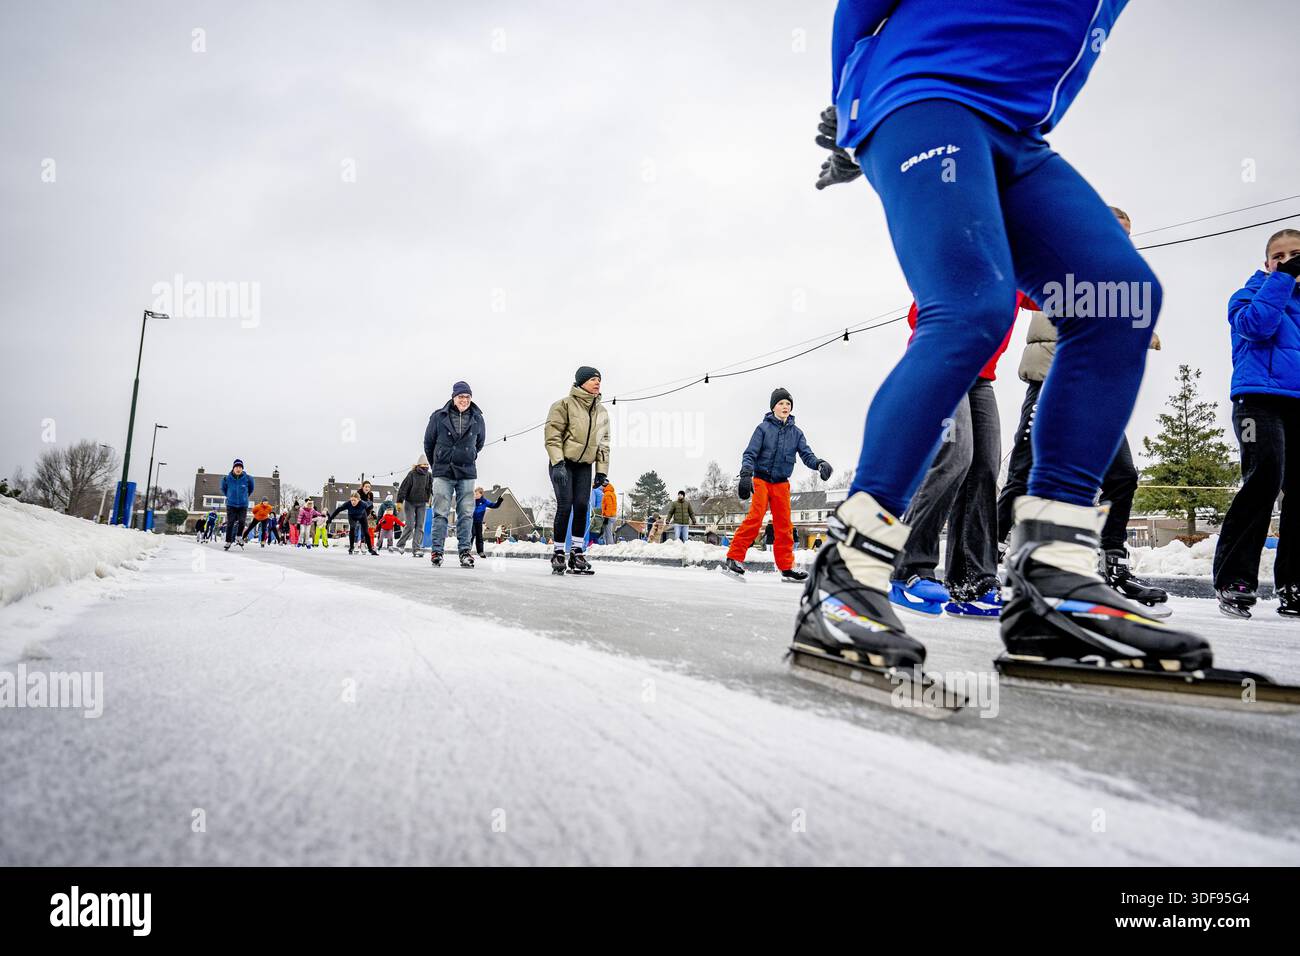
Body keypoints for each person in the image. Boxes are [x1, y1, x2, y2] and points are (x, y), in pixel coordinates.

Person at [801, 0, 1207, 672]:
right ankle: (848, 574)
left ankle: (1055, 579)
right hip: (924, 95)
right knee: (970, 308)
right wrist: (848, 104)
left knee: (1121, 302)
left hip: (1015, 133)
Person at [996, 207, 1167, 607]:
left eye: (1126, 235)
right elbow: (1019, 284)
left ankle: (1112, 564)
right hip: (1049, 386)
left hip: (1097, 395)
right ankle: (984, 556)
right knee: (1023, 476)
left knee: (1122, 475)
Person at [890, 294, 1027, 617]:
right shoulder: (974, 246)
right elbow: (920, 308)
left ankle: (971, 580)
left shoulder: (1022, 262)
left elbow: (1053, 292)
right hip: (943, 361)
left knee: (985, 467)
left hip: (982, 377)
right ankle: (908, 565)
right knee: (955, 454)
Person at [1213, 229, 1300, 618]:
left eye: (1295, 255)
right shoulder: (1248, 294)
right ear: (1267, 264)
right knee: (1263, 480)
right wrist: (1282, 280)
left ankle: (1295, 584)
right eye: (1278, 257)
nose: (1286, 261)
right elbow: (1256, 326)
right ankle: (1235, 579)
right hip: (1258, 400)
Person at [723, 388, 831, 582]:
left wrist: (819, 463)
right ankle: (734, 558)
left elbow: (807, 454)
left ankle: (787, 567)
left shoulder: (796, 433)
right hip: (761, 480)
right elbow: (750, 453)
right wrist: (746, 473)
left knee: (784, 526)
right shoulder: (763, 429)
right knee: (755, 518)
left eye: (788, 404)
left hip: (781, 483)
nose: (785, 407)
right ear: (773, 407)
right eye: (781, 403)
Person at [544, 366, 610, 575]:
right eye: (592, 379)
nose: (597, 383)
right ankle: (558, 552)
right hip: (563, 463)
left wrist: (601, 471)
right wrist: (558, 462)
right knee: (565, 505)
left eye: (599, 379)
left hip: (584, 466)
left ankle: (577, 551)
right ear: (581, 382)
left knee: (582, 505)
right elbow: (552, 435)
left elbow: (604, 443)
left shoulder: (601, 411)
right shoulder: (563, 405)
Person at [424, 381, 486, 568]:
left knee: (466, 513)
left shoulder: (477, 418)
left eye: (467, 397)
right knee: (440, 512)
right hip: (443, 471)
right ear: (453, 397)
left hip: (466, 472)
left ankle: (465, 551)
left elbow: (480, 443)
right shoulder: (438, 416)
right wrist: (437, 464)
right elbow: (429, 443)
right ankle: (437, 551)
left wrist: (470, 455)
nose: (464, 400)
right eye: (461, 397)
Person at [395, 456, 432, 558]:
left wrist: (435, 500)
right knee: (410, 525)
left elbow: (431, 488)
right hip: (410, 502)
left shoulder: (429, 475)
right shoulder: (412, 474)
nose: (425, 466)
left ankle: (416, 549)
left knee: (420, 526)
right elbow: (403, 487)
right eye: (424, 464)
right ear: (419, 465)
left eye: (427, 465)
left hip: (422, 503)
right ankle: (401, 544)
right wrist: (399, 501)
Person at [220, 459, 255, 551]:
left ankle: (239, 536)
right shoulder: (226, 478)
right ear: (233, 468)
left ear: (242, 469)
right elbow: (224, 489)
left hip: (243, 504)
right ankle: (228, 541)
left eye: (240, 467)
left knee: (242, 521)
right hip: (231, 504)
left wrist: (245, 497)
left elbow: (251, 489)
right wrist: (229, 496)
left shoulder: (248, 478)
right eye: (236, 467)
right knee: (230, 523)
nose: (238, 469)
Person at [327, 490, 377, 555]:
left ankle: (370, 550)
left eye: (354, 500)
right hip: (352, 516)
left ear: (359, 500)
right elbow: (338, 510)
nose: (353, 502)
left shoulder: (363, 504)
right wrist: (330, 518)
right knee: (352, 528)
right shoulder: (348, 504)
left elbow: (370, 507)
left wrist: (373, 514)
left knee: (366, 532)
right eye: (352, 500)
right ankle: (351, 547)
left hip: (362, 516)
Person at [472, 486, 503, 558]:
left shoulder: (484, 501)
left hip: (479, 521)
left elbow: (494, 505)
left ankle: (480, 551)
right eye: (474, 494)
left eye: (477, 494)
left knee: (479, 537)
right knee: (471, 535)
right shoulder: (472, 501)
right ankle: (467, 551)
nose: (475, 495)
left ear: (481, 494)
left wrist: (499, 502)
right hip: (471, 521)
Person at [601, 480, 618, 545]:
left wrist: (606, 517)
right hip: (612, 515)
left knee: (608, 532)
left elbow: (609, 506)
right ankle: (608, 545)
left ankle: (610, 545)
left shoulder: (607, 494)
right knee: (608, 532)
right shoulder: (611, 493)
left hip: (608, 516)